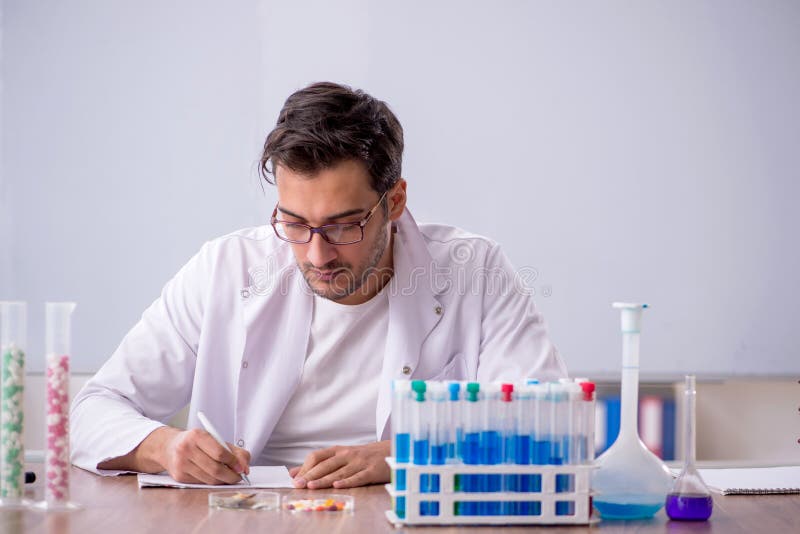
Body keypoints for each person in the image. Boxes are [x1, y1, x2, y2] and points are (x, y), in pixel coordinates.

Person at [70, 81, 566, 489]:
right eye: (294, 222)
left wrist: (406, 455)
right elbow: (91, 411)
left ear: (394, 202)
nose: (316, 253)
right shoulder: (225, 268)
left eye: (344, 225)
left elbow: (547, 422)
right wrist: (164, 447)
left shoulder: (472, 271)